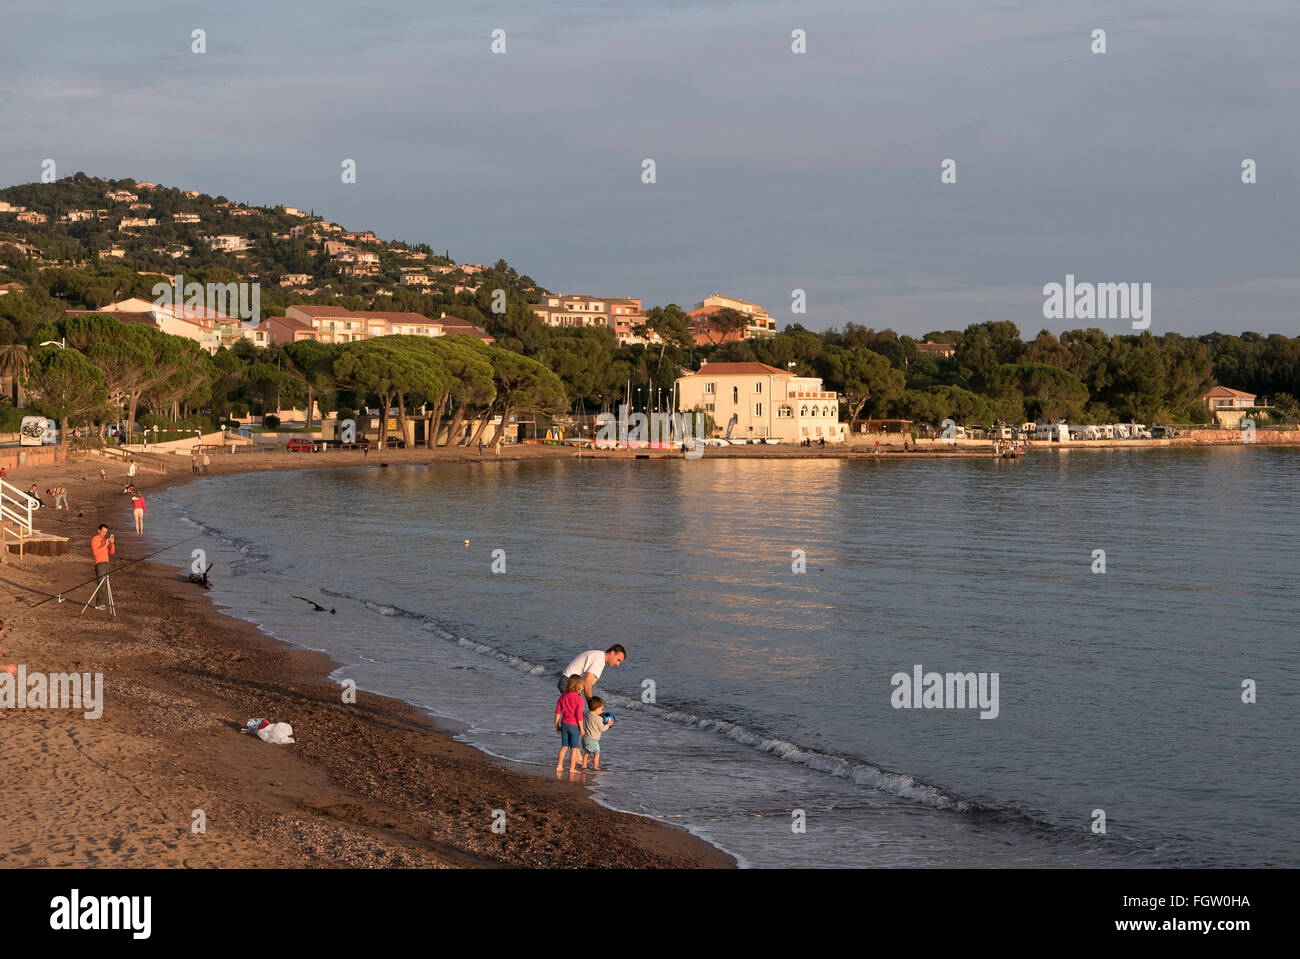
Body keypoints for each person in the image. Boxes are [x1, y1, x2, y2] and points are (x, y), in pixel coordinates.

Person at [557, 645, 626, 703]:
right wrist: (591, 705)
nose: (618, 664)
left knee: (577, 713)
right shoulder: (599, 659)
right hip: (569, 684)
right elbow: (587, 683)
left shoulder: (599, 656)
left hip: (570, 683)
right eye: (618, 660)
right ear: (612, 653)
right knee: (578, 714)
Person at [554, 674, 586, 774]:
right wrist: (581, 728)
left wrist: (557, 725)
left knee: (564, 747)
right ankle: (572, 768)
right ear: (578, 686)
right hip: (574, 726)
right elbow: (579, 715)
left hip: (564, 724)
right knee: (574, 748)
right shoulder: (579, 699)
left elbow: (558, 712)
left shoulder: (563, 697)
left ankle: (559, 766)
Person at [579, 696, 614, 770]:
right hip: (593, 740)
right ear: (596, 708)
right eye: (601, 709)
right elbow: (602, 729)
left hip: (585, 738)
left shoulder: (587, 714)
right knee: (597, 753)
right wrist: (608, 724)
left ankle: (584, 766)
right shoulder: (599, 719)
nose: (602, 711)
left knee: (587, 753)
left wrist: (598, 713)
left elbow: (585, 718)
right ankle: (595, 767)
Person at [91, 525, 115, 605]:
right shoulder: (95, 539)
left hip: (106, 563)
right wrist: (105, 545)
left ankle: (100, 603)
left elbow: (111, 551)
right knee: (101, 583)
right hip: (99, 563)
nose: (104, 533)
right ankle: (98, 604)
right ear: (99, 531)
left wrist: (111, 543)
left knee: (105, 584)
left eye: (105, 532)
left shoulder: (104, 539)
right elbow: (95, 552)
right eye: (103, 531)